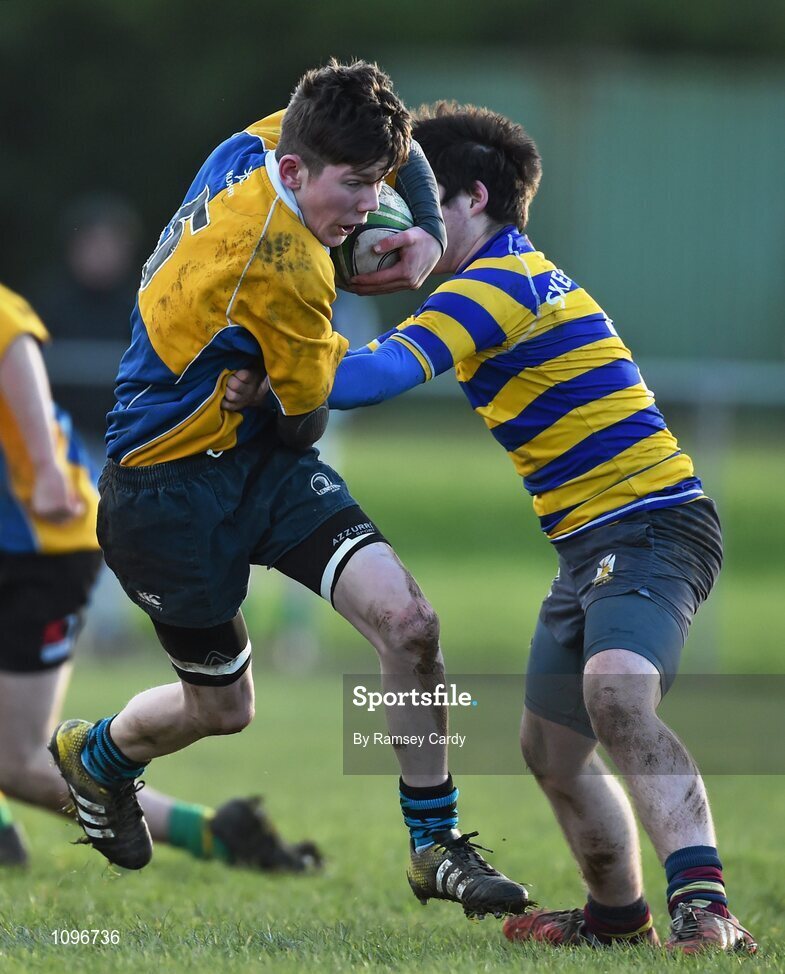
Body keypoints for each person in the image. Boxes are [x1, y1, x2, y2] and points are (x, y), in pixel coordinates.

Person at [49, 62, 529, 919]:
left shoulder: (258, 144)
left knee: (409, 621)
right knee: (223, 707)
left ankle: (435, 843)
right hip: (162, 493)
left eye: (376, 184)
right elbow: (307, 422)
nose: (363, 207)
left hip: (252, 462)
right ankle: (102, 758)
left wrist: (419, 223)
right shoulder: (285, 266)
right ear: (301, 174)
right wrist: (276, 388)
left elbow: (403, 143)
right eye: (356, 189)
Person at [315, 102, 756, 953]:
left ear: (471, 199)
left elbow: (365, 380)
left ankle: (706, 914)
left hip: (651, 522)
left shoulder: (496, 284)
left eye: (415, 201)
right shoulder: (501, 276)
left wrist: (270, 339)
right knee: (550, 750)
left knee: (616, 695)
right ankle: (613, 922)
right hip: (591, 544)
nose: (397, 221)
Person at [0, 282, 320, 873]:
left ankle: (216, 834)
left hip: (37, 547)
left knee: (16, 762)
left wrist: (45, 468)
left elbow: (9, 338)